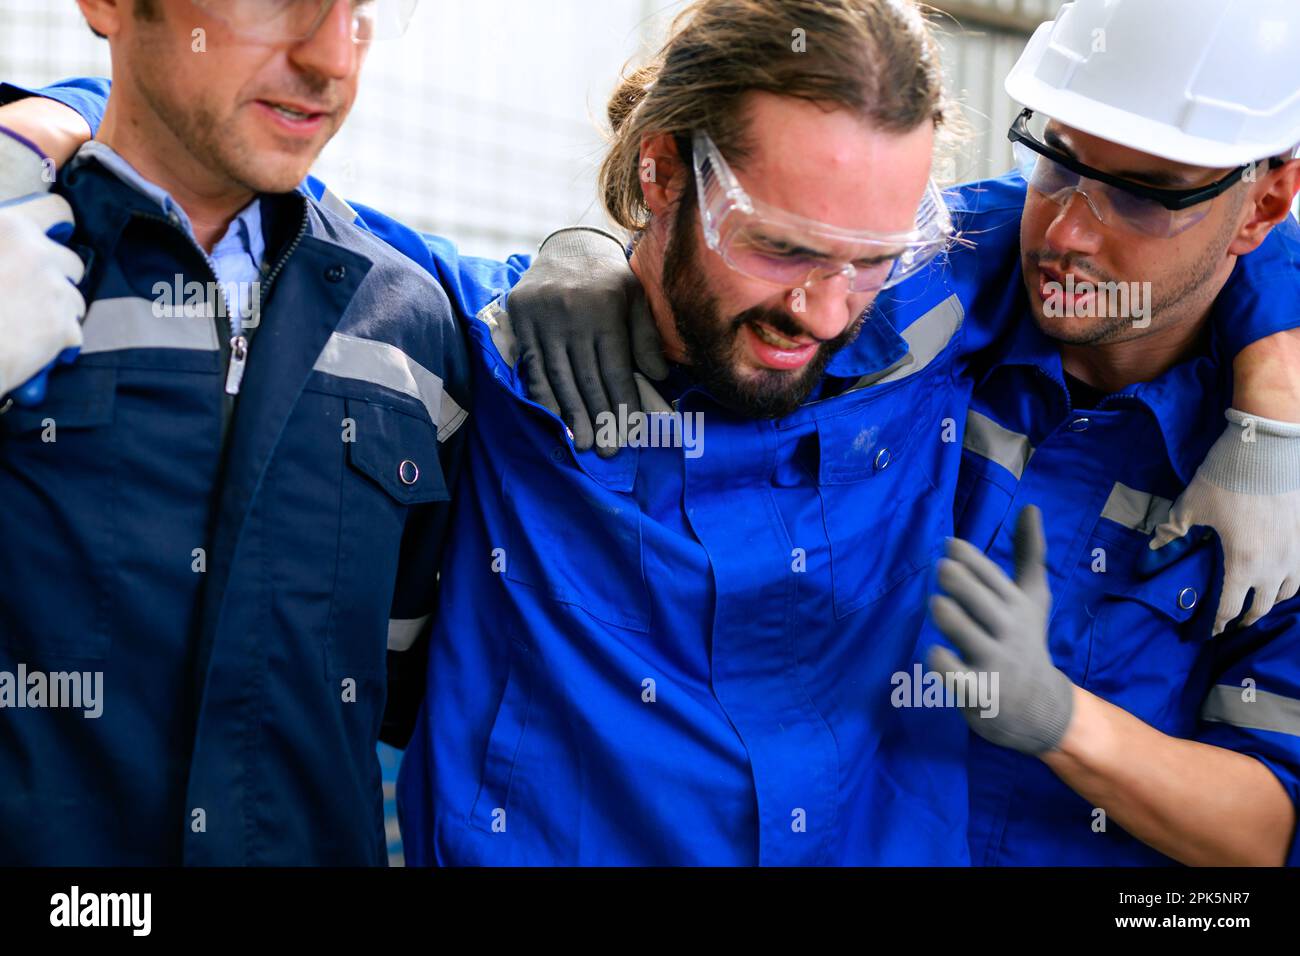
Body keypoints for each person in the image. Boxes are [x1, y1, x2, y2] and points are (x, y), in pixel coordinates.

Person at [0, 0, 629, 865]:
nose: (333, 56)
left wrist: (590, 249)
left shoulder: (411, 325)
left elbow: (404, 678)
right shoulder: (20, 256)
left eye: (362, 11)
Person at [919, 0, 1300, 865]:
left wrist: (1060, 720)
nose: (1067, 233)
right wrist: (589, 266)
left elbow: (1272, 825)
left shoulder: (1284, 487)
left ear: (1263, 204)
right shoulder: (945, 273)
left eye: (1143, 196)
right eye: (1058, 160)